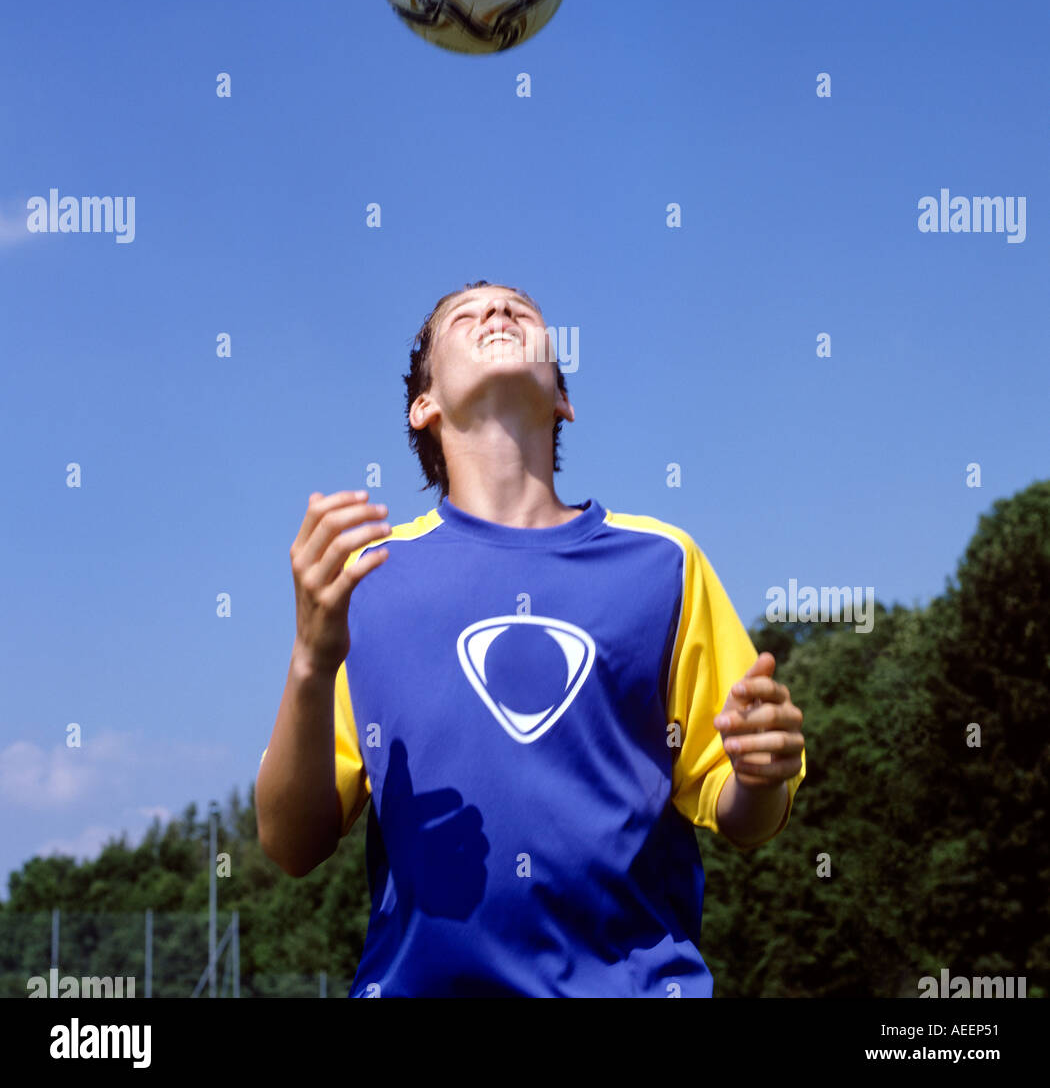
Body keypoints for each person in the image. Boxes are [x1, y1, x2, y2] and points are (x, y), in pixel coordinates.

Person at [256, 281, 806, 997]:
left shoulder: (663, 563)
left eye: (522, 311)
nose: (496, 312)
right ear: (423, 406)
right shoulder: (367, 578)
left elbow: (743, 817)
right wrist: (309, 662)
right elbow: (291, 844)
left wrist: (760, 775)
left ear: (562, 399)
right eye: (464, 314)